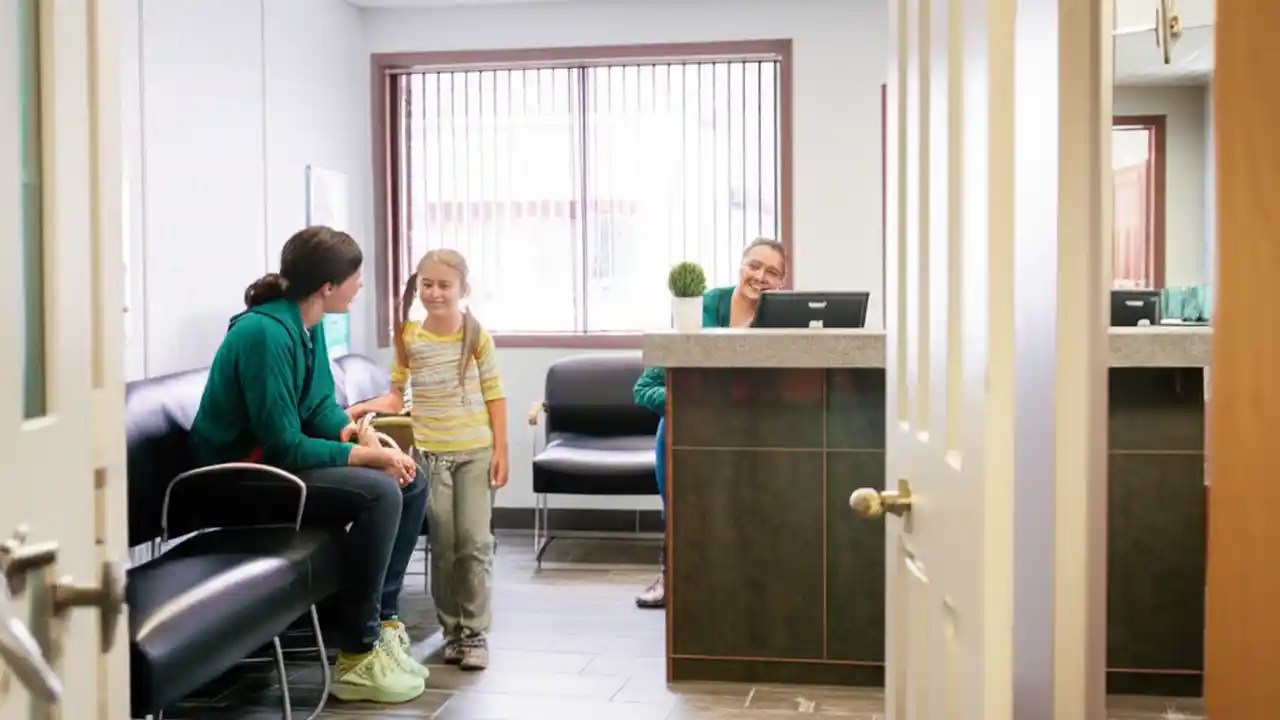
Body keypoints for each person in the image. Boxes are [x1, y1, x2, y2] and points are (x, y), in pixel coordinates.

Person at [188, 226, 430, 704]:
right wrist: (365, 457)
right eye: (355, 277)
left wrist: (355, 434)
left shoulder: (308, 323)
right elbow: (283, 445)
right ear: (327, 286)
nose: (360, 285)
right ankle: (357, 653)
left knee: (410, 481)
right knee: (380, 491)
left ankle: (382, 625)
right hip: (235, 480)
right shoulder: (262, 333)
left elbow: (318, 405)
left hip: (274, 468)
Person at [349, 248, 508, 671]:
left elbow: (495, 396)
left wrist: (502, 451)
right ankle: (452, 632)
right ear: (417, 287)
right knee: (444, 546)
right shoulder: (408, 337)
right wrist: (356, 409)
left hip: (475, 453)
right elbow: (394, 398)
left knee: (475, 543)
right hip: (431, 456)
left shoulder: (477, 336)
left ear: (463, 289)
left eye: (444, 285)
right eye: (427, 284)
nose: (435, 293)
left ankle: (475, 634)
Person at [632, 238, 788, 608]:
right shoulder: (700, 308)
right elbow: (645, 388)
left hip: (748, 433)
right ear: (740, 266)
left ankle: (734, 585)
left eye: (772, 272)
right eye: (754, 266)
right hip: (690, 430)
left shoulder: (784, 318)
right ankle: (670, 577)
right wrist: (689, 401)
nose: (760, 277)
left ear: (782, 283)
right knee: (682, 510)